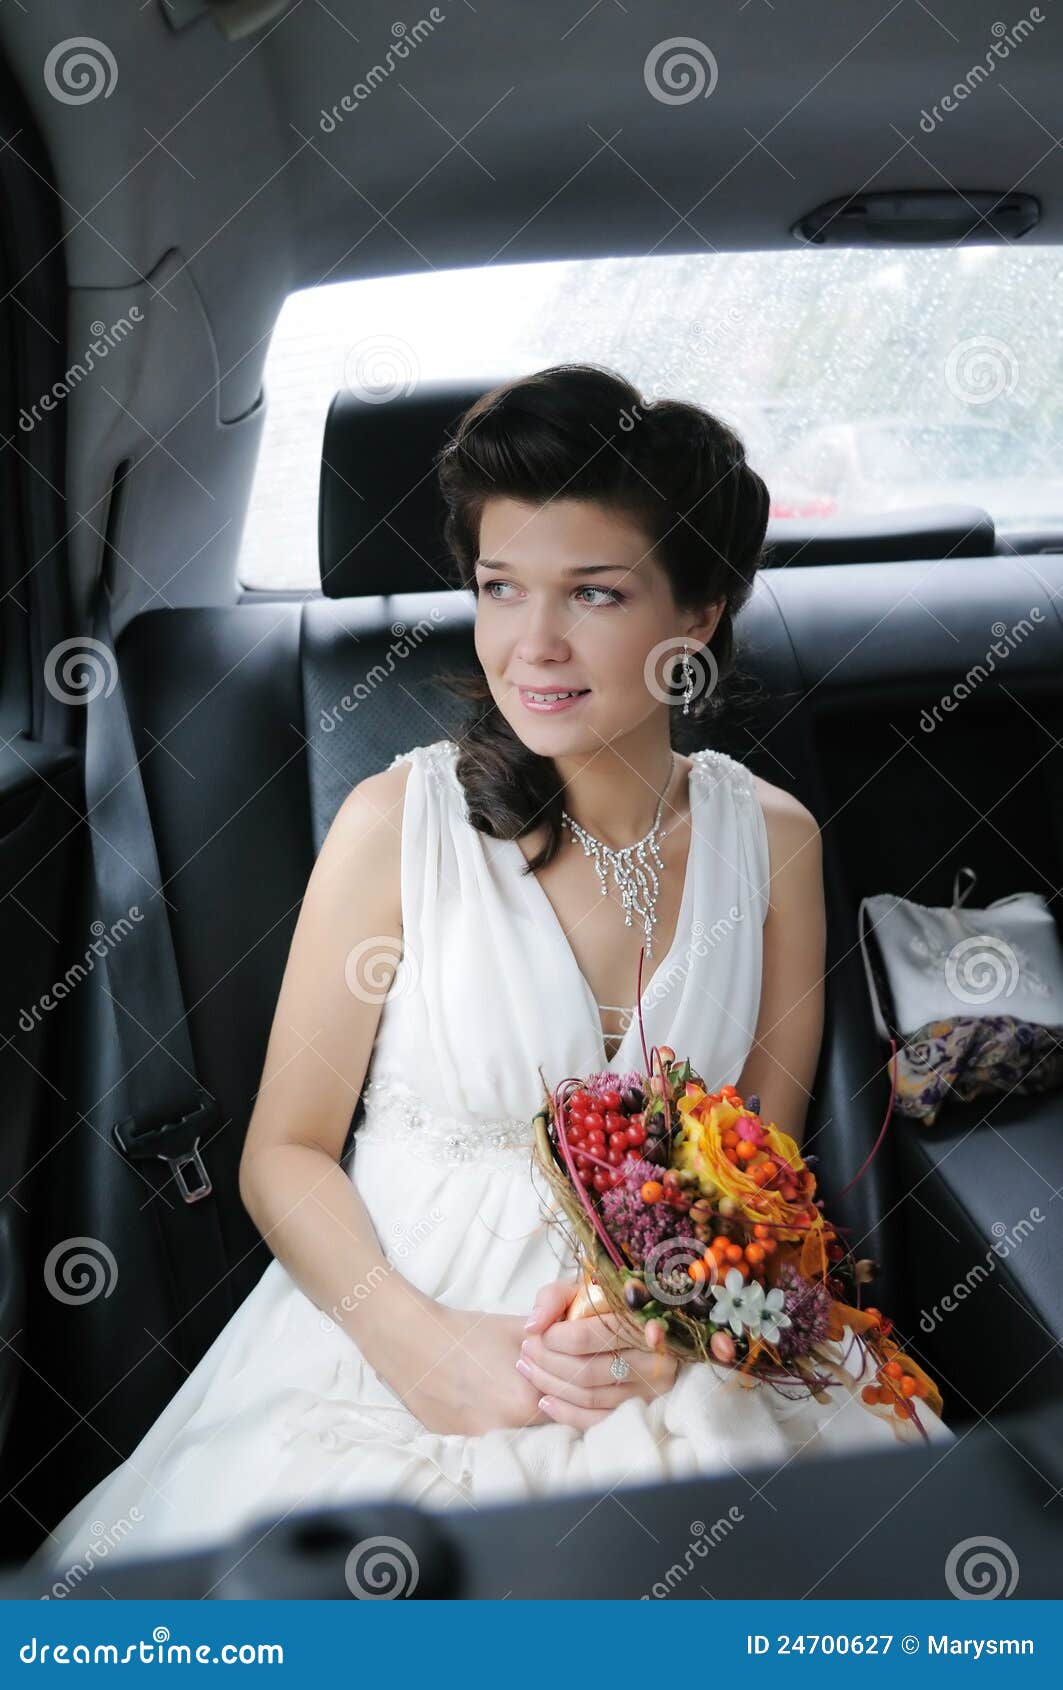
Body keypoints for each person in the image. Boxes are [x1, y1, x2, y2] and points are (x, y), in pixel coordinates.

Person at [34, 364, 952, 1585]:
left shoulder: (774, 840)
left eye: (594, 592)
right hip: (400, 1329)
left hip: (675, 1344)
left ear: (701, 613)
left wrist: (672, 1329)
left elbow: (756, 1165)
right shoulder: (392, 824)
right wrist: (422, 1349)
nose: (534, 643)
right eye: (499, 587)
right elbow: (283, 1151)